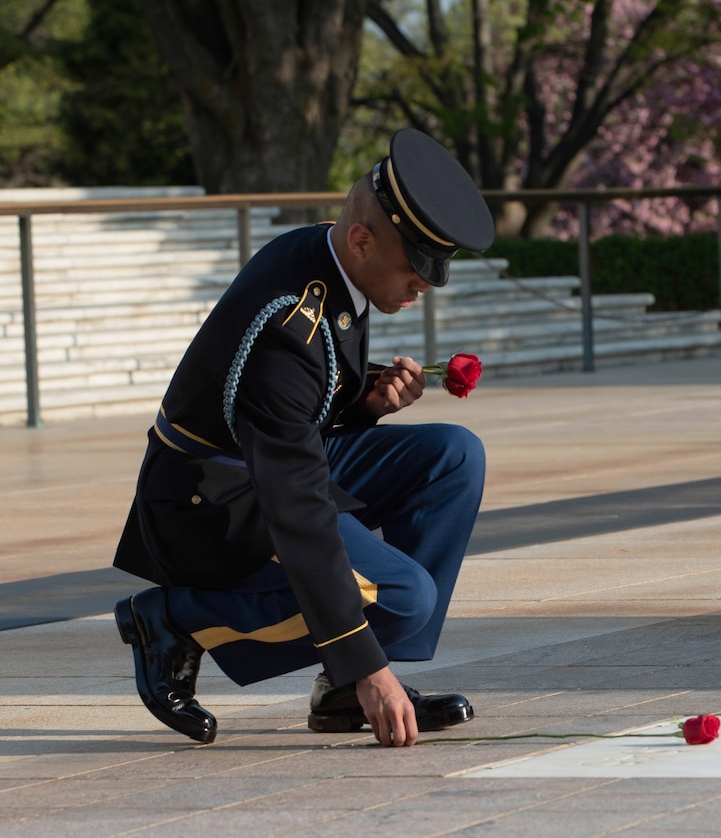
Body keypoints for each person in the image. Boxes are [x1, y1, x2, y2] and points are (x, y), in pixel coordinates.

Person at [112, 129, 494, 748]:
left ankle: (344, 690)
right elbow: (296, 505)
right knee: (403, 595)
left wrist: (364, 401)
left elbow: (293, 411)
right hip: (208, 501)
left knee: (451, 457)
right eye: (415, 269)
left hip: (260, 464)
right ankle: (174, 622)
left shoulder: (331, 259)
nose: (424, 285)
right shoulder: (290, 319)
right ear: (363, 238)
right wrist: (365, 662)